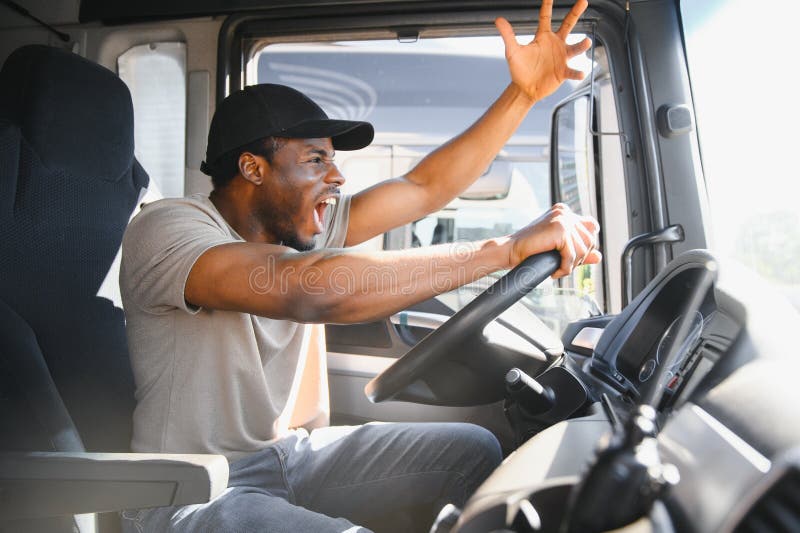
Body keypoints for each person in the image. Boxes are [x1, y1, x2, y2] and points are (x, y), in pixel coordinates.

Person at [119, 0, 600, 531]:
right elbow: (303, 288)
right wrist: (506, 250)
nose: (338, 177)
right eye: (316, 160)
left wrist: (523, 95)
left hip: (287, 456)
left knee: (473, 451)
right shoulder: (168, 229)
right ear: (252, 168)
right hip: (188, 488)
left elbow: (425, 187)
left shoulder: (304, 225)